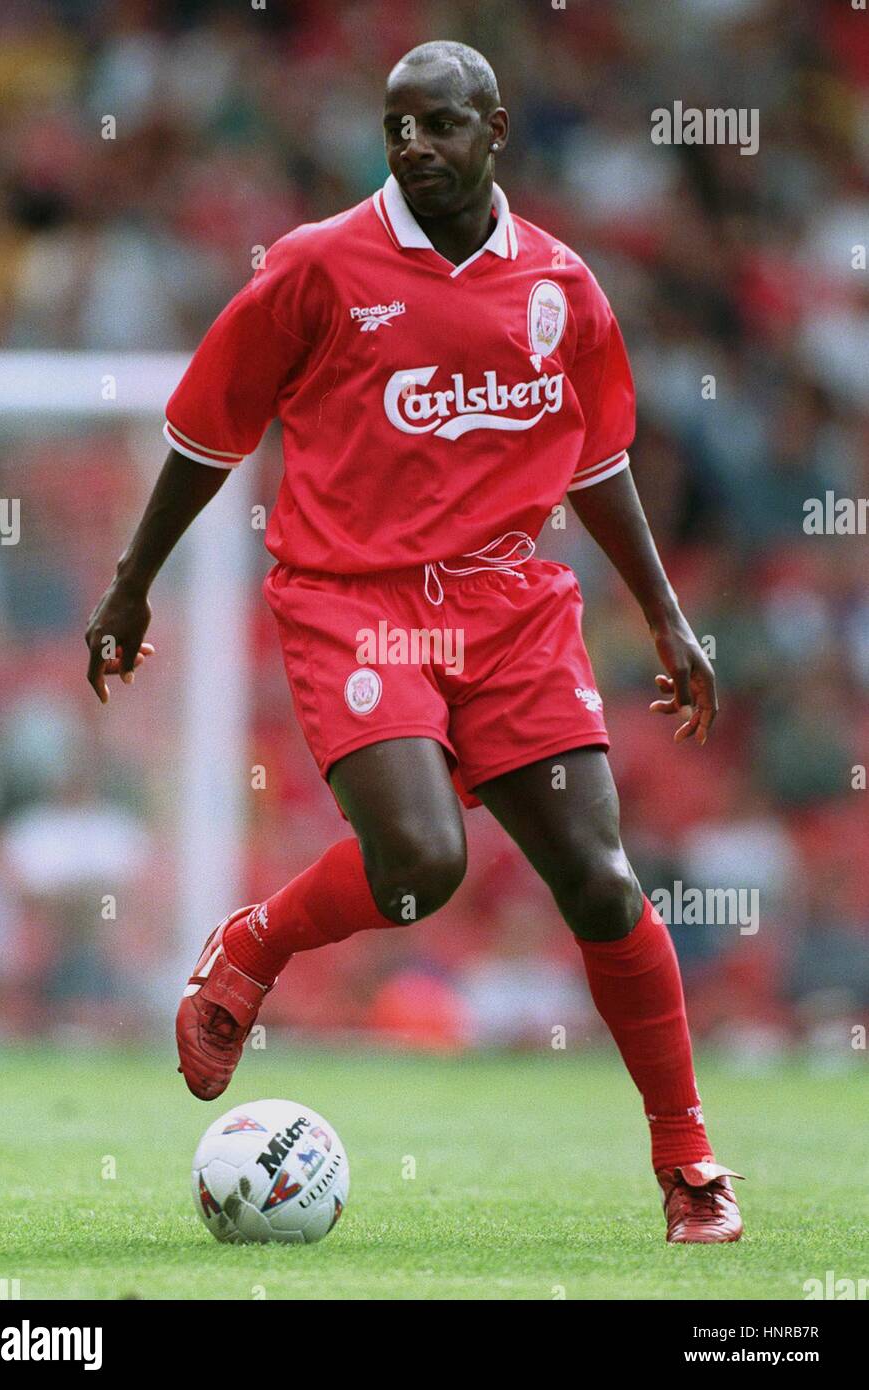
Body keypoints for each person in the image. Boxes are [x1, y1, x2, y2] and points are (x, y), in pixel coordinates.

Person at [85, 41, 742, 1243]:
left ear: (495, 131)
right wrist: (131, 589)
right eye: (397, 128)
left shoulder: (562, 285)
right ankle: (253, 947)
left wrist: (665, 612)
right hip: (358, 597)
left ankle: (689, 1161)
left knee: (603, 884)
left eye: (440, 126)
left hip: (511, 607)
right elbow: (202, 433)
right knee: (420, 861)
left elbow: (597, 462)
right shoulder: (317, 268)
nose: (415, 149)